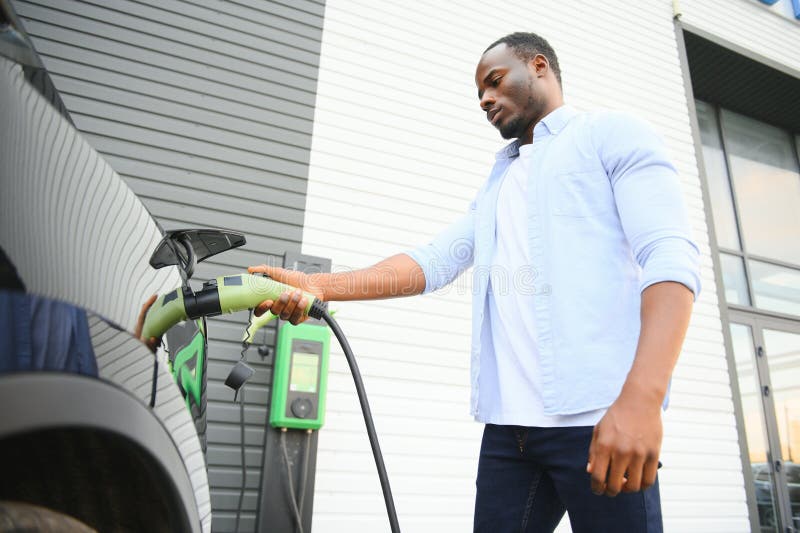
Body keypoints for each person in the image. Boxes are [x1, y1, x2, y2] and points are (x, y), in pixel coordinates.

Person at [249, 32, 700, 533]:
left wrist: (641, 400)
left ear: (540, 66)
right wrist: (317, 286)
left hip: (599, 420)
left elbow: (670, 257)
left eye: (495, 81)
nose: (484, 98)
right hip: (511, 435)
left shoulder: (611, 135)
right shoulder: (498, 184)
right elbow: (432, 262)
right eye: (480, 93)